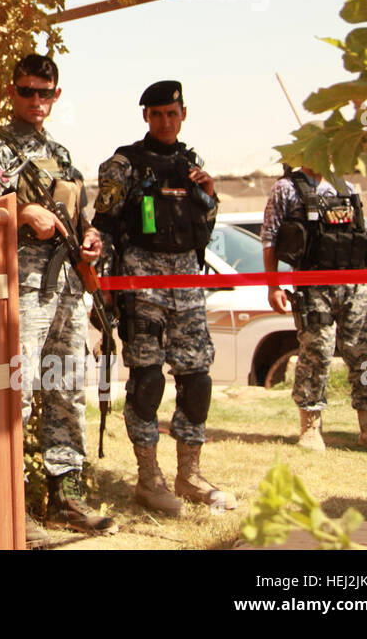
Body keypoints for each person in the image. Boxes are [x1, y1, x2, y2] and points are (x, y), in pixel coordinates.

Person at [0, 54, 116, 543]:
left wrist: (93, 240)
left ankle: (66, 497)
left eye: (44, 92)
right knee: (18, 394)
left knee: (68, 389)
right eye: (26, 91)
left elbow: (81, 216)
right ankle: (11, 507)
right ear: (12, 92)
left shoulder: (63, 154)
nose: (35, 101)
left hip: (67, 287)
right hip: (18, 287)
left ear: (56, 95)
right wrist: (21, 210)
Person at [92, 80, 235, 516]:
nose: (165, 121)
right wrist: (105, 290)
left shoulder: (193, 164)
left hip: (187, 284)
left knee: (197, 380)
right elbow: (105, 224)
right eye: (157, 114)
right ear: (146, 117)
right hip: (141, 284)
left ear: (183, 115)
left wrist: (210, 196)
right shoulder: (124, 165)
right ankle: (148, 478)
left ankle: (189, 475)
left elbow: (203, 227)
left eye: (172, 114)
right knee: (148, 381)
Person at [262, 161, 367, 452]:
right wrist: (273, 286)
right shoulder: (286, 188)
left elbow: (362, 236)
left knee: (366, 357)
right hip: (314, 287)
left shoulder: (343, 184)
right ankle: (310, 427)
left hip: (355, 285)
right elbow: (270, 238)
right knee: (316, 353)